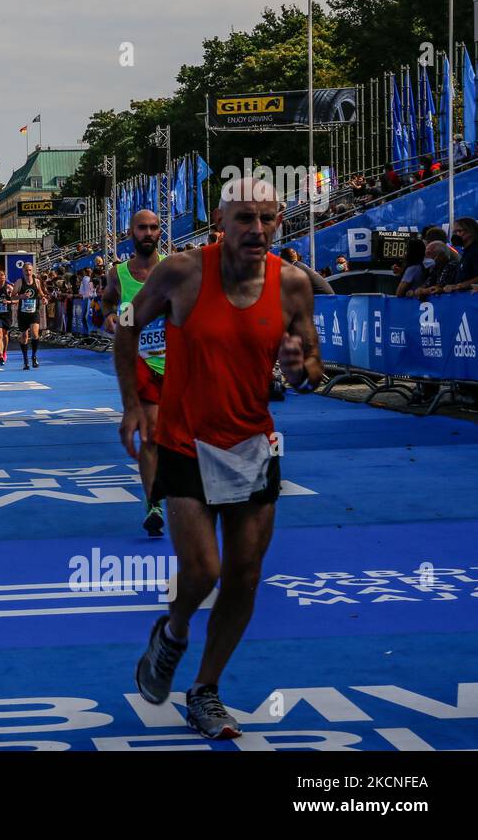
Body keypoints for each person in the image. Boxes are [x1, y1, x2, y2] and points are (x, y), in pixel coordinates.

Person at [116, 177, 322, 739]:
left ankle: (205, 689)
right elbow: (127, 323)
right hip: (184, 442)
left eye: (267, 219)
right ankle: (174, 631)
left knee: (245, 576)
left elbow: (313, 372)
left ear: (279, 221)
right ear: (220, 222)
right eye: (245, 219)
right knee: (203, 569)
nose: (257, 230)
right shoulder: (182, 273)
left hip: (252, 445)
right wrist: (133, 403)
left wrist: (299, 366)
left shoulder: (293, 285)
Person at [101, 210, 167, 536]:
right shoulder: (118, 274)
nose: (148, 233)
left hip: (179, 363)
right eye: (142, 228)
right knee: (151, 434)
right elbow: (108, 302)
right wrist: (111, 316)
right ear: (131, 232)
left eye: (154, 227)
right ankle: (153, 502)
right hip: (141, 363)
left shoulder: (175, 269)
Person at [13, 263, 44, 370]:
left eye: (30, 270)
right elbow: (12, 296)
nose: (28, 272)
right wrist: (21, 296)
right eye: (26, 270)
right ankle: (25, 360)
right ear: (23, 271)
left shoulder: (37, 281)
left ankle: (34, 356)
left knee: (35, 334)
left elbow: (41, 293)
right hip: (23, 313)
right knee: (24, 337)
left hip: (34, 312)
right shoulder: (19, 282)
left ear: (32, 271)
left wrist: (44, 298)